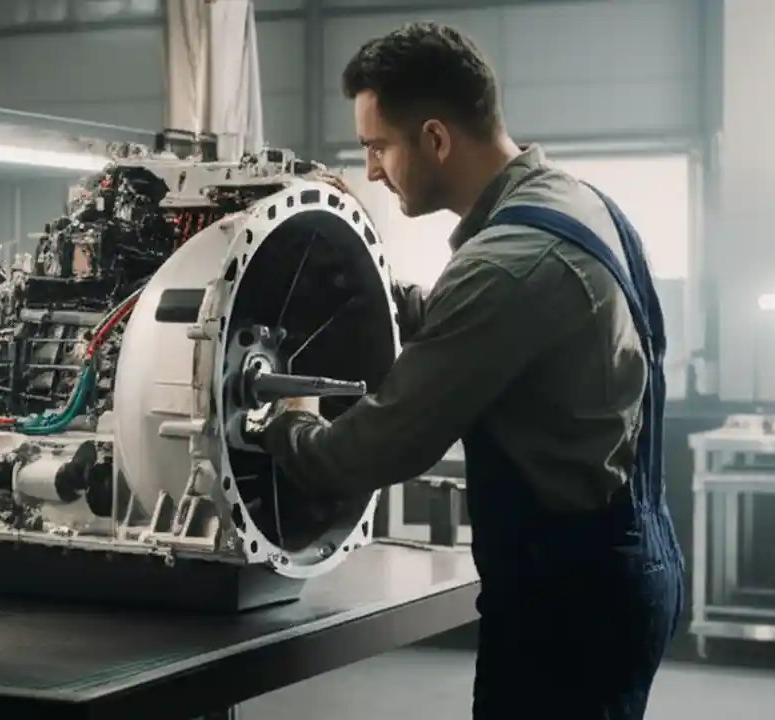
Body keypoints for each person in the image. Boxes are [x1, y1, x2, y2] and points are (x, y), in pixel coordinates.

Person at [256, 22, 684, 720]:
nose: (370, 170)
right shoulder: (576, 204)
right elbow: (481, 327)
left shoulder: (506, 265)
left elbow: (377, 446)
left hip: (567, 601)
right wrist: (366, 291)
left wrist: (290, 426)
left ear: (435, 138)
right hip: (630, 561)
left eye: (376, 147)